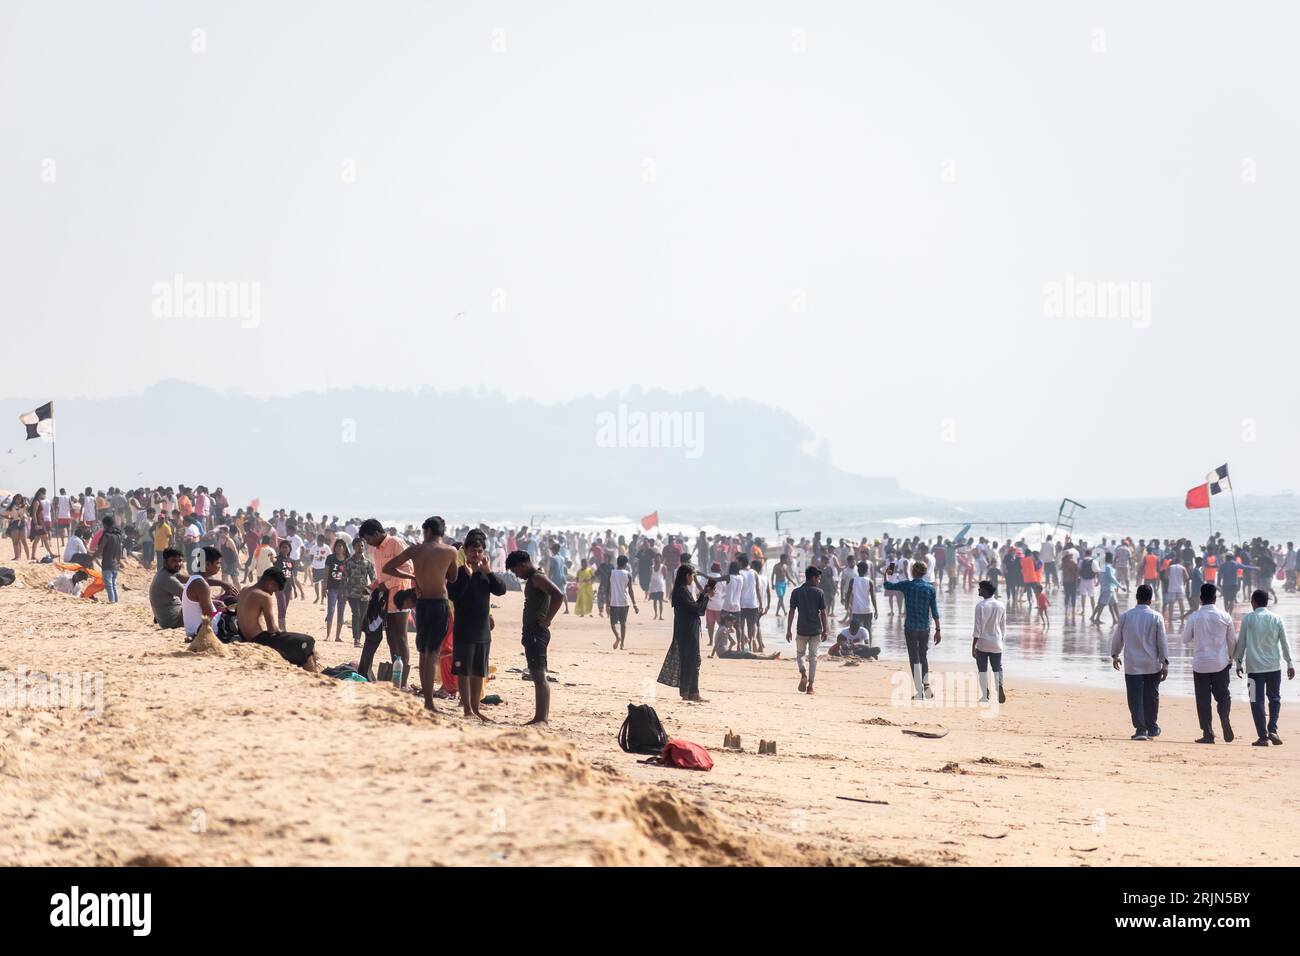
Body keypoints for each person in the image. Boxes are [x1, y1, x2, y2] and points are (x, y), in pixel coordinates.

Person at [383, 516, 459, 711]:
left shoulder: (415, 550)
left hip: (422, 604)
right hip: (439, 603)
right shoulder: (450, 551)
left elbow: (388, 567)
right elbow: (453, 577)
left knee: (424, 652)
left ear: (428, 531)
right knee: (433, 652)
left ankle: (427, 700)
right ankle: (429, 703)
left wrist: (413, 576)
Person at [448, 528, 506, 720]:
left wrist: (488, 572)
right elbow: (453, 595)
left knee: (478, 672)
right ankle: (467, 709)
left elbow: (500, 590)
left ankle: (475, 707)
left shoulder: (485, 573)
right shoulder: (459, 572)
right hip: (464, 630)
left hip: (482, 632)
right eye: (473, 550)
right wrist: (467, 575)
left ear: (484, 553)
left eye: (480, 551)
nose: (476, 554)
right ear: (465, 550)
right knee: (464, 672)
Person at [506, 549, 565, 723]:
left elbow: (559, 595)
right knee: (536, 675)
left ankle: (541, 718)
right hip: (532, 632)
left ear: (523, 564)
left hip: (537, 632)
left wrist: (547, 620)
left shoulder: (537, 578)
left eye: (516, 570)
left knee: (539, 676)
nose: (517, 575)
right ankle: (539, 717)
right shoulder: (536, 577)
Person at [1233, 589, 1294, 747]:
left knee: (1256, 700)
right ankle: (1272, 728)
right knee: (1274, 698)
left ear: (1253, 601)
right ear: (1267, 601)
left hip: (1253, 668)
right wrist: (1290, 663)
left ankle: (1263, 737)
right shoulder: (1276, 618)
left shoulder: (1248, 619)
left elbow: (1242, 643)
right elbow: (1285, 643)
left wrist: (1238, 662)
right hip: (1274, 666)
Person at [358, 518, 414, 685]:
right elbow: (381, 577)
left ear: (376, 533)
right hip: (385, 600)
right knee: (391, 638)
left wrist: (386, 585)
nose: (368, 543)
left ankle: (402, 679)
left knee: (401, 638)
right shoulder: (376, 551)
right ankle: (396, 674)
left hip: (401, 597)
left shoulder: (396, 543)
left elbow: (408, 569)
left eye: (368, 539)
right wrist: (371, 587)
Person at [1110, 584, 1169, 741]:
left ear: (1137, 597)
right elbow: (1162, 641)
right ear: (1150, 599)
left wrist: (1115, 655)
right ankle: (1152, 726)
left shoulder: (1126, 616)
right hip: (1152, 664)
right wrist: (1165, 663)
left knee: (1135, 697)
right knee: (1152, 696)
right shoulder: (1156, 617)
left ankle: (1140, 728)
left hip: (1133, 664)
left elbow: (1117, 638)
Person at [1181, 582, 1235, 744]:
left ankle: (1208, 733)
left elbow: (1184, 639)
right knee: (1223, 696)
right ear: (1215, 598)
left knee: (1203, 699)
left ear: (1201, 598)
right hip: (1220, 663)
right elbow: (1232, 642)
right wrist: (1231, 659)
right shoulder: (1225, 616)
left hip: (1200, 664)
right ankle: (1224, 717)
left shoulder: (1195, 617)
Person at [235, 568, 318, 670]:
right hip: (260, 639)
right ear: (271, 583)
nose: (272, 594)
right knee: (308, 641)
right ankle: (313, 676)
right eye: (274, 590)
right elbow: (271, 629)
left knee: (304, 645)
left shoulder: (244, 590)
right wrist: (281, 632)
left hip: (245, 636)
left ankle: (314, 673)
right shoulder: (264, 596)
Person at [883, 560, 942, 700]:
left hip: (910, 627)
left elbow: (888, 585)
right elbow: (935, 611)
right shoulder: (930, 589)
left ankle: (919, 691)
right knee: (923, 657)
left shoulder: (907, 585)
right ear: (924, 573)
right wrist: (938, 629)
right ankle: (926, 685)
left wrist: (886, 573)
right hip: (925, 628)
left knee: (913, 659)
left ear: (913, 572)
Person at [785, 565, 828, 695]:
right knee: (813, 657)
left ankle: (803, 672)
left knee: (800, 654)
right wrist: (825, 629)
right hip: (815, 630)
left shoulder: (796, 592)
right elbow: (823, 613)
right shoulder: (819, 592)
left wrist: (788, 630)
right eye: (818, 579)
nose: (819, 581)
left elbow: (791, 612)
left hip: (801, 629)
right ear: (814, 578)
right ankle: (810, 686)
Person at [971, 580, 1007, 703]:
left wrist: (973, 646)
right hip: (996, 642)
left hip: (982, 643)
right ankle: (999, 686)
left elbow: (977, 629)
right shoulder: (1001, 605)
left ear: (985, 591)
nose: (978, 590)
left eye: (980, 588)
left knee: (982, 669)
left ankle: (985, 694)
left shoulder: (980, 606)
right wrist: (1000, 641)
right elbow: (1003, 627)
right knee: (997, 668)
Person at [341, 537, 375, 648]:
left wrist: (374, 591)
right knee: (356, 614)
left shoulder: (368, 563)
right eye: (358, 546)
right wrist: (343, 592)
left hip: (364, 593)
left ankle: (358, 637)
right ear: (353, 547)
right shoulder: (348, 562)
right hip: (352, 593)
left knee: (362, 616)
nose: (360, 548)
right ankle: (356, 638)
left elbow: (373, 578)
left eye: (362, 546)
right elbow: (344, 578)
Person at [149, 547, 186, 630]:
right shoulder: (167, 578)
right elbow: (190, 596)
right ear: (165, 562)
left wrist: (219, 583)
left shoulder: (165, 571)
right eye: (174, 561)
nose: (178, 564)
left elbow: (187, 578)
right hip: (173, 620)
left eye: (180, 561)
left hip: (166, 617)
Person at [607, 554, 638, 649]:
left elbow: (607, 589)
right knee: (623, 623)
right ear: (625, 564)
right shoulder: (628, 574)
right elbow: (631, 590)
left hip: (614, 602)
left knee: (613, 624)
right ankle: (622, 644)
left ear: (617, 563)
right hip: (625, 601)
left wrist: (607, 603)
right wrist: (635, 605)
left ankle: (617, 637)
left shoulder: (611, 573)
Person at [93, 515, 125, 603]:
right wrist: (118, 562)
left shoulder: (107, 535)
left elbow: (100, 550)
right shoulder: (117, 536)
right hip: (115, 564)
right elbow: (119, 551)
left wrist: (91, 558)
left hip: (107, 564)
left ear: (105, 525)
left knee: (109, 585)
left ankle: (112, 602)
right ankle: (116, 602)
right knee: (113, 585)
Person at [323, 538, 349, 642]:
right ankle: (328, 635)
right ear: (335, 547)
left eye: (341, 546)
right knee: (331, 611)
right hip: (332, 588)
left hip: (343, 589)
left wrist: (348, 590)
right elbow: (326, 573)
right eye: (337, 546)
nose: (339, 548)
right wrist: (324, 587)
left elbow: (349, 576)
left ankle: (337, 636)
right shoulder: (330, 558)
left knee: (341, 612)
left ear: (344, 548)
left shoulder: (348, 559)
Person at [845, 560, 878, 638]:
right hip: (868, 609)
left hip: (857, 609)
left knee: (856, 630)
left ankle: (857, 648)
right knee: (868, 629)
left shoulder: (853, 580)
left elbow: (848, 594)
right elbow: (873, 597)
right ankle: (869, 646)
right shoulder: (870, 581)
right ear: (867, 571)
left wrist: (846, 606)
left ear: (857, 569)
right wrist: (876, 609)